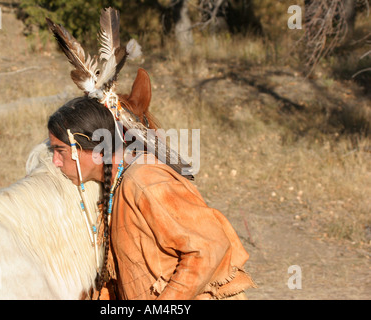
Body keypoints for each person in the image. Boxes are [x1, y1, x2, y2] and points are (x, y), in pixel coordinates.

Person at [47, 70, 256, 300]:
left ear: (92, 149)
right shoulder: (114, 189)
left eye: (60, 151)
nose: (55, 162)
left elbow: (207, 247)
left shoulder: (143, 179)